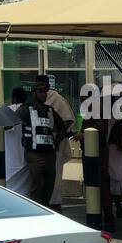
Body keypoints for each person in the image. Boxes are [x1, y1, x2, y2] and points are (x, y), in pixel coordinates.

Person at [18, 76, 60, 206]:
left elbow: (63, 126)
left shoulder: (50, 110)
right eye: (41, 91)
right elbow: (12, 122)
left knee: (49, 186)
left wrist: (57, 142)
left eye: (45, 91)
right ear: (34, 92)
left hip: (49, 154)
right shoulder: (26, 109)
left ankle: (45, 209)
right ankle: (36, 212)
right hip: (34, 154)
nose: (44, 94)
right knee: (38, 185)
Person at [42, 81, 76, 211]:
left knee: (55, 173)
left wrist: (58, 136)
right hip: (43, 143)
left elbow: (68, 120)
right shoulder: (38, 101)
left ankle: (55, 203)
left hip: (56, 143)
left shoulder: (56, 99)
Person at [4, 86, 31, 195]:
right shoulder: (30, 111)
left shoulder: (8, 110)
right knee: (25, 194)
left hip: (11, 159)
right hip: (27, 157)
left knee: (10, 193)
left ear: (13, 98)